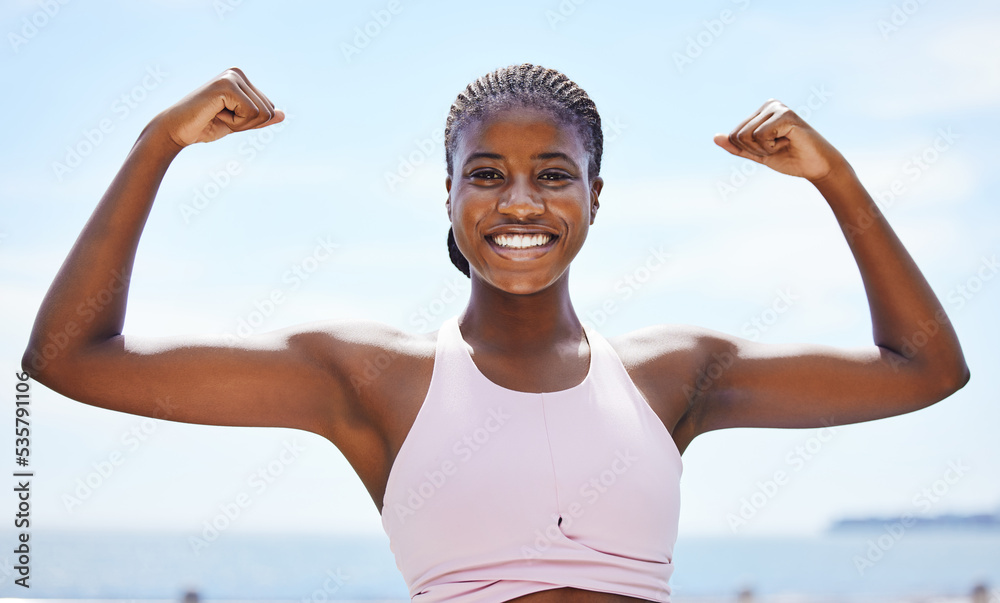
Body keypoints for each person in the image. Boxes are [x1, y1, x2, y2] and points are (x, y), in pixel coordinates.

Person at [23, 64, 969, 603]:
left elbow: (926, 367)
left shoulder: (676, 373)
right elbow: (69, 358)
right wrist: (159, 143)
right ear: (448, 193)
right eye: (487, 174)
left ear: (596, 197)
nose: (521, 201)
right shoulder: (373, 378)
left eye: (555, 173)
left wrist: (833, 177)